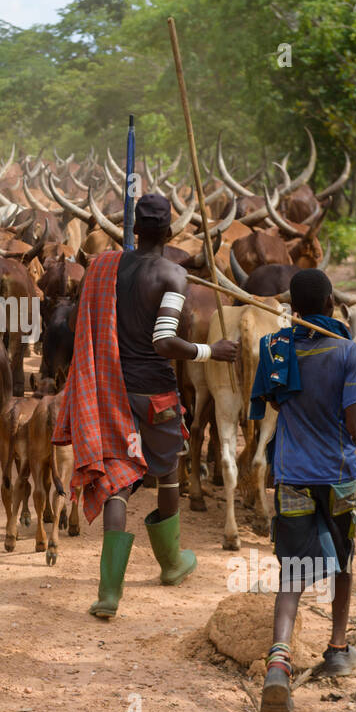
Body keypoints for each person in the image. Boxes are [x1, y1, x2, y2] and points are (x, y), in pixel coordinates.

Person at [54, 192, 238, 619]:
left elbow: (84, 321)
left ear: (134, 230)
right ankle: (172, 564)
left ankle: (109, 593)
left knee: (117, 481)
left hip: (112, 391)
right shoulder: (172, 275)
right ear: (171, 232)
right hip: (156, 394)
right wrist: (213, 351)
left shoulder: (103, 267)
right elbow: (163, 341)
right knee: (169, 466)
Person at [249, 267, 356, 712]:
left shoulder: (276, 350)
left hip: (292, 475)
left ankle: (278, 664)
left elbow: (276, 402)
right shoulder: (347, 353)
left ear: (294, 310)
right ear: (332, 305)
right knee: (343, 561)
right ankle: (337, 649)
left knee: (293, 574)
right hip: (336, 479)